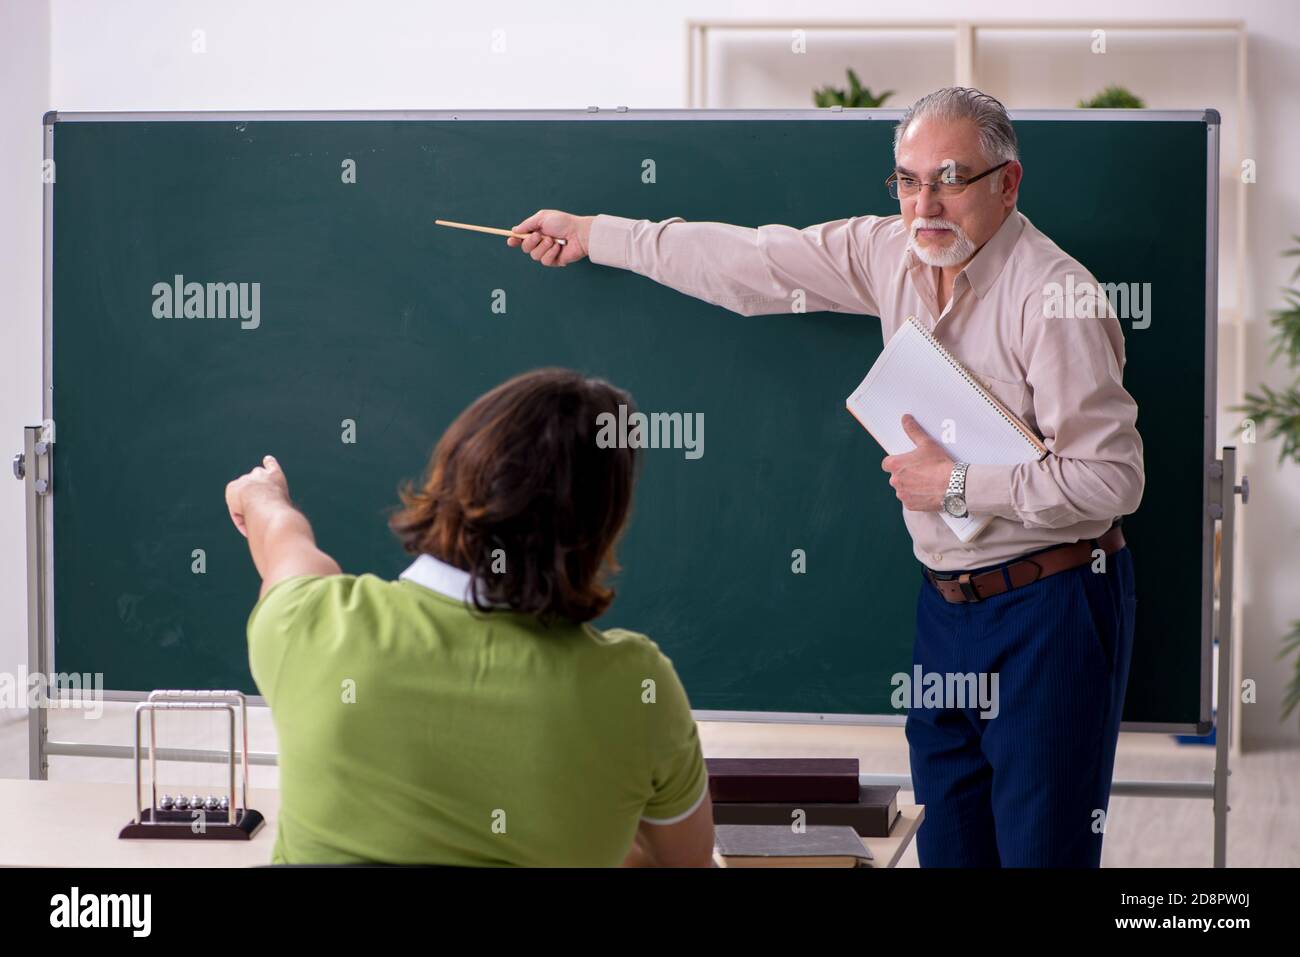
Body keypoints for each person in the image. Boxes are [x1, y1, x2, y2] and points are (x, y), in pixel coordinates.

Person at [506, 88, 1143, 868]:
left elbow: (1112, 479)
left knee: (1041, 853)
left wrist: (955, 485)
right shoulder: (889, 253)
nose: (925, 204)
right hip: (945, 608)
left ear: (1008, 184)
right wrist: (594, 234)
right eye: (907, 181)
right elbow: (750, 264)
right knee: (950, 849)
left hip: (1052, 607)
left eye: (949, 178)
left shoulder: (1055, 296)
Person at [225, 368, 714, 866]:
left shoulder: (310, 624)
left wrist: (261, 496)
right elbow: (683, 863)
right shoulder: (638, 688)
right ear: (603, 526)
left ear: (448, 476)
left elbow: (284, 540)